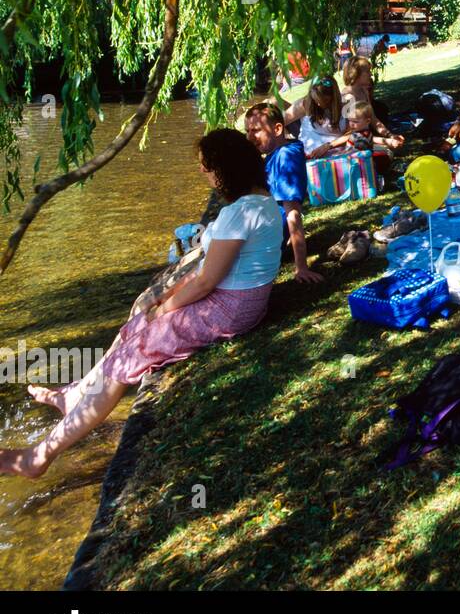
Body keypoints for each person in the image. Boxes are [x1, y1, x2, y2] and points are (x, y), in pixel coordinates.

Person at [1, 130, 283, 479]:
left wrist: (165, 309)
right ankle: (75, 397)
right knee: (136, 324)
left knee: (130, 354)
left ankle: (40, 456)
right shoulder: (264, 202)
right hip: (241, 303)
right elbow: (207, 270)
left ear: (226, 168)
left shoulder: (239, 213)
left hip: (229, 309)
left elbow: (208, 280)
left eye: (206, 167)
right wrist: (164, 299)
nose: (203, 173)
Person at [243, 103, 323, 283]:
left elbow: (293, 214)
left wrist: (301, 267)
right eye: (247, 131)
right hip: (261, 235)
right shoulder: (279, 151)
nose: (249, 137)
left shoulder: (286, 158)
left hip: (262, 244)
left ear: (278, 129)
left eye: (255, 130)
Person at [296, 77, 347, 159]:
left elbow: (351, 134)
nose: (319, 104)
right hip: (308, 155)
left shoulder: (346, 107)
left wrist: (328, 146)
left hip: (333, 155)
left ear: (334, 97)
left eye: (324, 100)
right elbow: (283, 120)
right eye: (315, 100)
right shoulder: (306, 104)